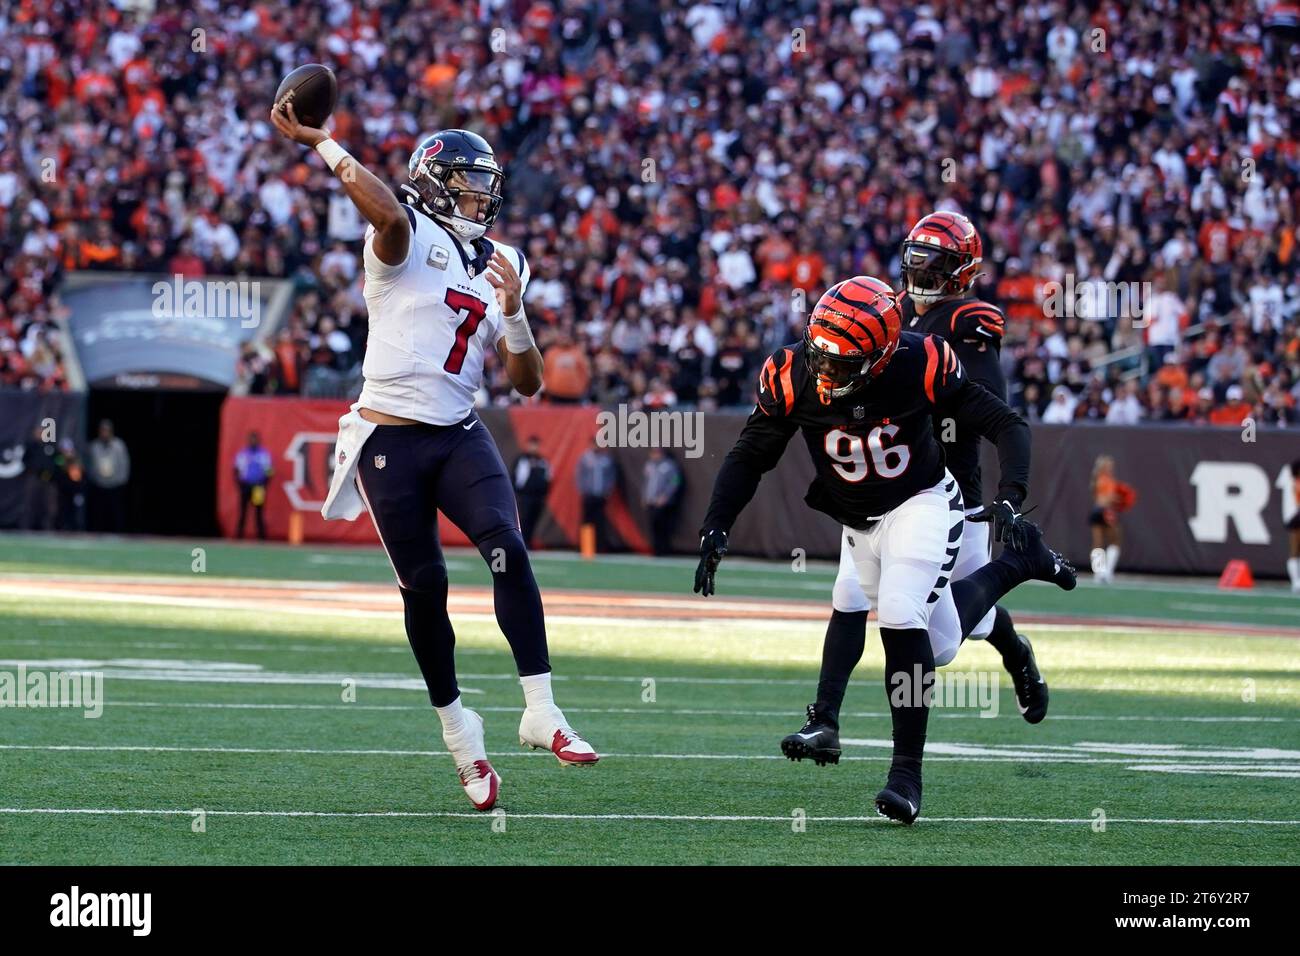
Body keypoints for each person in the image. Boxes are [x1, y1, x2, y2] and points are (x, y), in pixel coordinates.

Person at [274, 109, 599, 811]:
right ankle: (460, 734)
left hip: (457, 431)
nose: (484, 197)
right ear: (434, 184)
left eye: (487, 185)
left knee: (508, 546)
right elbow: (388, 212)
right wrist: (322, 140)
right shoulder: (403, 236)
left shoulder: (507, 260)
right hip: (389, 441)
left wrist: (515, 315)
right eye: (470, 184)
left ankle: (540, 709)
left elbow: (528, 382)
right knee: (424, 590)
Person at [694, 276, 1075, 824]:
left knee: (898, 613)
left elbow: (1005, 422)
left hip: (922, 502)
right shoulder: (792, 371)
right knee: (939, 645)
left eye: (842, 362)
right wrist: (717, 525)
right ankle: (1020, 563)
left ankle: (905, 777)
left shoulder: (918, 362)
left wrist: (1010, 496)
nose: (825, 371)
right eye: (820, 354)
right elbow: (752, 453)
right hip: (857, 518)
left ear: (880, 356)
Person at [795, 214, 1050, 780]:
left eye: (932, 262)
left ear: (961, 272)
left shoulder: (967, 320)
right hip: (882, 483)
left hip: (942, 486)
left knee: (950, 639)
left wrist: (916, 392)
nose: (918, 270)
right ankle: (825, 720)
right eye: (914, 257)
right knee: (851, 594)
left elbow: (984, 402)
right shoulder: (892, 312)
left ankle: (1015, 646)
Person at [1088, 455, 1135, 583]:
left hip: (1096, 511)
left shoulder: (1097, 479)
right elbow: (1107, 499)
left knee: (1098, 543)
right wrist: (1121, 499)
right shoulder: (1106, 480)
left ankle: (1099, 574)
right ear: (1103, 467)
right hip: (1106, 512)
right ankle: (1107, 572)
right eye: (1109, 466)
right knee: (1115, 541)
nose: (1111, 468)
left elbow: (1098, 498)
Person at [87, 419, 130, 533]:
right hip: (99, 484)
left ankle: (118, 533)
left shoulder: (119, 446)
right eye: (102, 431)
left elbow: (124, 464)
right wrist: (94, 480)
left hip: (115, 484)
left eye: (106, 431)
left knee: (116, 511)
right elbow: (90, 465)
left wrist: (121, 481)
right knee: (98, 512)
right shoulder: (94, 446)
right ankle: (98, 532)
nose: (104, 433)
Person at [577, 439, 618, 552]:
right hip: (588, 495)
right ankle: (586, 548)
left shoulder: (606, 459)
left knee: (600, 522)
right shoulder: (585, 458)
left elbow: (611, 476)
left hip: (601, 495)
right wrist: (582, 490)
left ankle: (599, 548)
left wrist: (608, 491)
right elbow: (580, 475)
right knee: (586, 522)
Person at [642, 448, 683, 556]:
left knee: (663, 527)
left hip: (663, 502)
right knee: (653, 527)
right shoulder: (649, 465)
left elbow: (676, 481)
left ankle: (664, 550)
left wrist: (666, 496)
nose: (654, 455)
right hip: (651, 501)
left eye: (656, 453)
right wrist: (645, 496)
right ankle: (656, 550)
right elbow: (646, 482)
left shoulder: (669, 466)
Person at [512, 435, 551, 546]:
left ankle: (528, 542)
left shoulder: (542, 461)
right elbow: (515, 477)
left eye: (536, 445)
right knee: (523, 520)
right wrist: (518, 492)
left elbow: (548, 478)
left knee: (533, 520)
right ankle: (521, 543)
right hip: (525, 496)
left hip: (538, 497)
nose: (534, 447)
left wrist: (544, 493)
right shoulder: (521, 459)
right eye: (532, 444)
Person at [234, 430, 273, 540]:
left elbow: (269, 470)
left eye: (255, 439)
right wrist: (240, 483)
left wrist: (264, 483)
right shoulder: (243, 453)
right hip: (245, 486)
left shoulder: (263, 454)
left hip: (258, 487)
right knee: (243, 511)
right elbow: (236, 469)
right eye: (251, 439)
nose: (253, 441)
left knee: (258, 512)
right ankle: (239, 535)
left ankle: (261, 537)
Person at [1285, 458, 1300, 593]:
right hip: (1298, 518)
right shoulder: (1296, 483)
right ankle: (1296, 582)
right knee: (1295, 551)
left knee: (1295, 552)